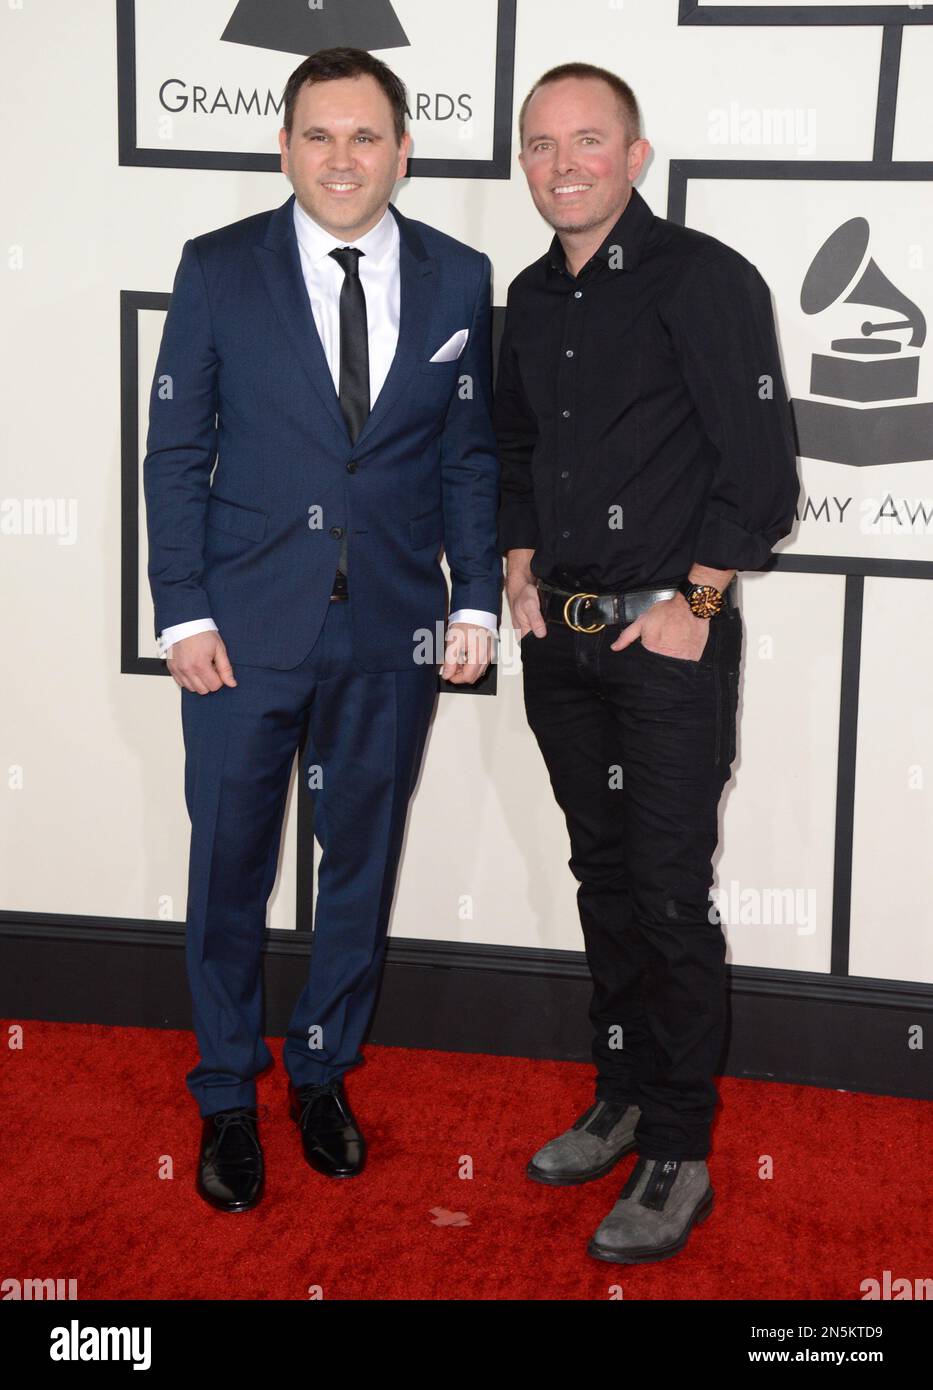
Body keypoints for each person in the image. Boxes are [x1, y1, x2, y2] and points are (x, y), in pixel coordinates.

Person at [144, 47, 500, 1213]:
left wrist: (474, 596)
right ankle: (225, 1097)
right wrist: (182, 606)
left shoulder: (458, 279)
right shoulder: (216, 269)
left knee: (359, 866)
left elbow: (466, 455)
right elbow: (176, 453)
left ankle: (324, 1070)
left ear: (403, 149)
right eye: (318, 135)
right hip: (242, 633)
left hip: (392, 634)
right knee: (228, 869)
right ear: (284, 145)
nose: (341, 158)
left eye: (364, 136)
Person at [495, 62, 799, 1263]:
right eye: (540, 145)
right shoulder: (528, 294)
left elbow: (764, 471)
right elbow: (514, 444)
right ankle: (621, 1093)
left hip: (665, 654)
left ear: (637, 153)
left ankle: (680, 1142)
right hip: (560, 649)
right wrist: (519, 559)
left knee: (669, 898)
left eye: (588, 141)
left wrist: (700, 598)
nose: (563, 164)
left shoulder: (707, 280)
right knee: (601, 878)